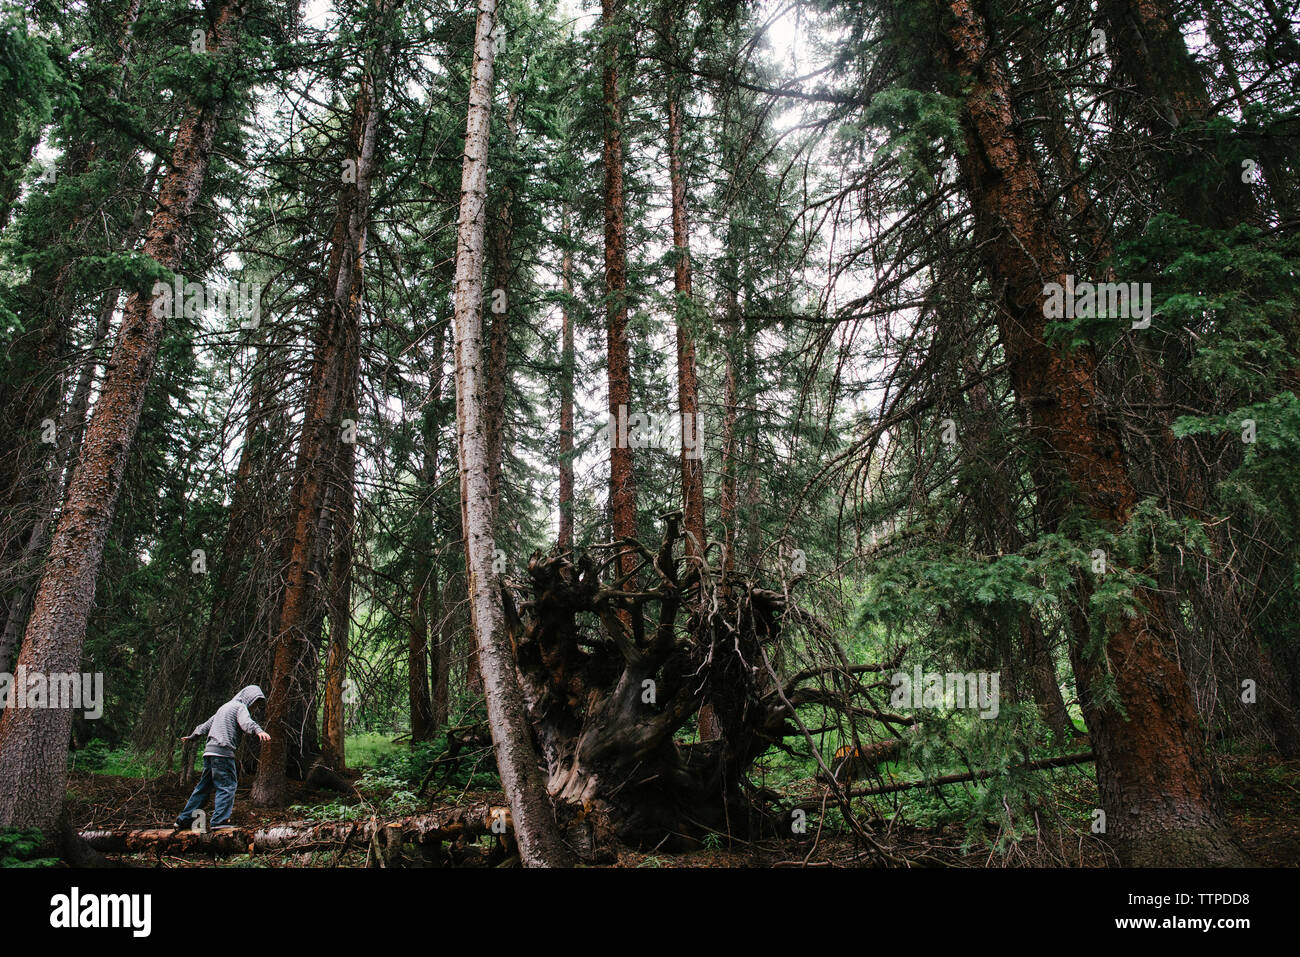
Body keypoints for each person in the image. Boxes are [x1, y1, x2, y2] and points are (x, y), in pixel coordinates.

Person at [175, 685, 270, 830]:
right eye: (254, 703)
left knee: (203, 788)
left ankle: (183, 820)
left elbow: (206, 725)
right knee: (227, 786)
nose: (254, 707)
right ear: (249, 698)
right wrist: (258, 730)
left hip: (209, 753)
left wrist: (193, 736)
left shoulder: (225, 707)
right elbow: (245, 723)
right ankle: (219, 821)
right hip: (223, 753)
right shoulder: (240, 707)